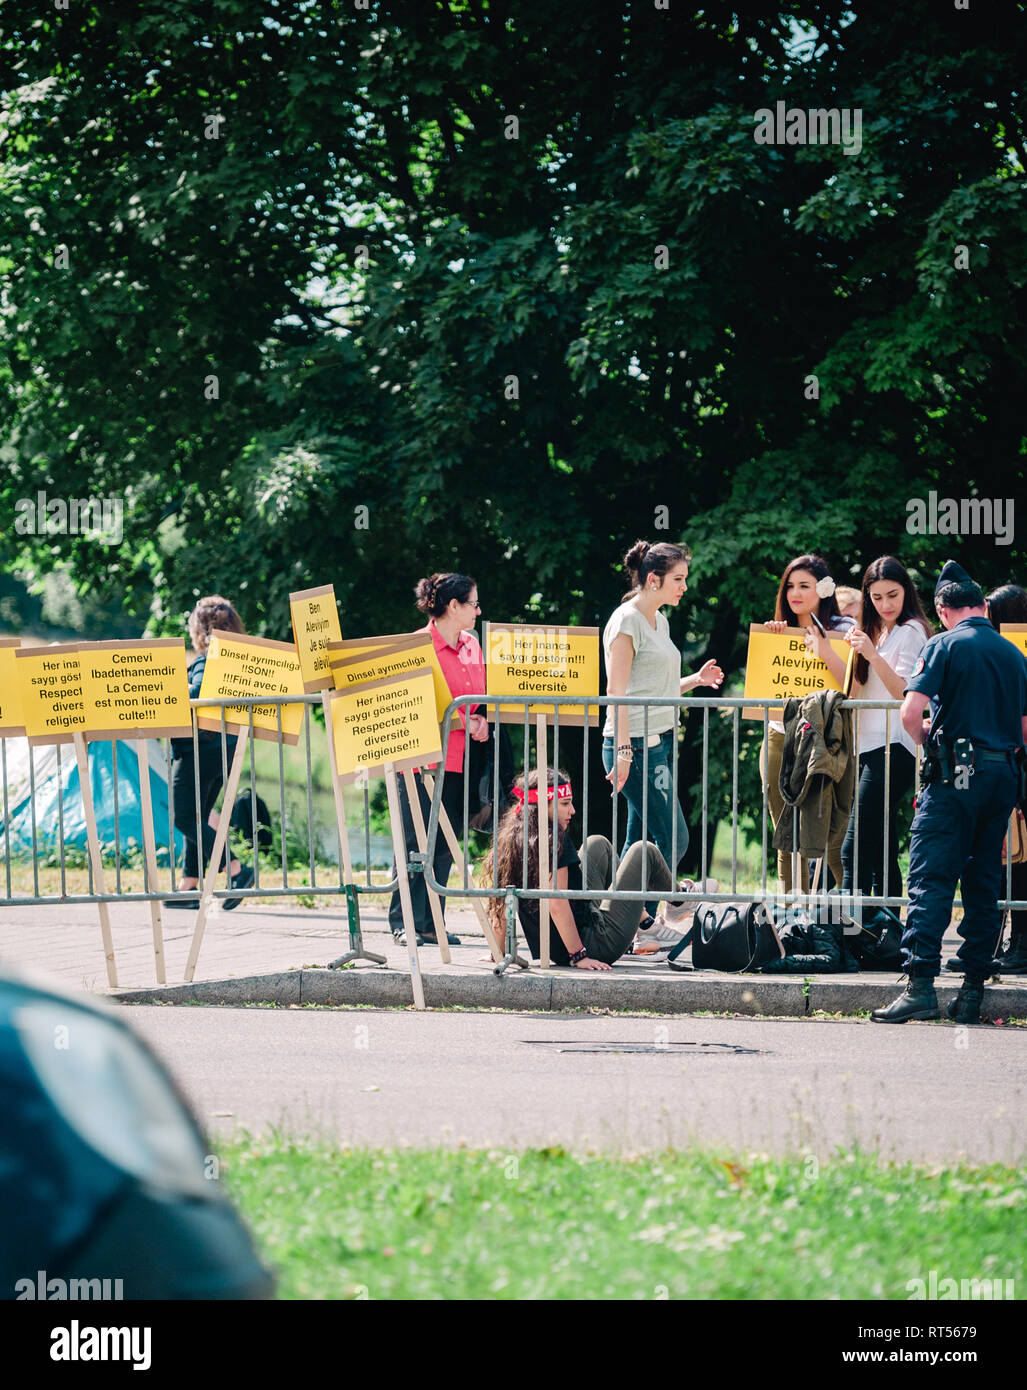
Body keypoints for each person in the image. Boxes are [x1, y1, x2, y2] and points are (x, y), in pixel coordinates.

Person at [872, 561, 1027, 1024]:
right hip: (1001, 778)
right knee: (983, 884)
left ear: (942, 610)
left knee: (932, 877)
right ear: (982, 606)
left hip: (954, 776)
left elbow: (910, 712)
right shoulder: (1014, 655)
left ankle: (921, 986)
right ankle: (972, 994)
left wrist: (928, 744)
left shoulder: (942, 645)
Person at [601, 540, 723, 945]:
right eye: (678, 579)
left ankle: (628, 925)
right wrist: (622, 753)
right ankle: (661, 911)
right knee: (675, 837)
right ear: (652, 580)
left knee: (638, 843)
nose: (684, 587)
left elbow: (656, 686)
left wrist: (695, 681)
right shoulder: (626, 621)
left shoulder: (660, 621)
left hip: (658, 741)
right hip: (632, 745)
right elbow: (617, 693)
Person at [485, 770, 690, 969]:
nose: (572, 810)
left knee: (597, 844)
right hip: (595, 945)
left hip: (565, 943)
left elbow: (501, 902)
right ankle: (680, 901)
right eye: (565, 804)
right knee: (644, 851)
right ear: (541, 806)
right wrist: (579, 955)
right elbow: (556, 903)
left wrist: (497, 952)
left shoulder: (512, 841)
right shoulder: (553, 841)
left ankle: (645, 923)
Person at [388, 572, 489, 947]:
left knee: (445, 842)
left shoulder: (472, 645)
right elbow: (410, 706)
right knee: (415, 840)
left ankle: (432, 921)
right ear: (453, 606)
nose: (478, 611)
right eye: (474, 604)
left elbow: (479, 697)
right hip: (419, 758)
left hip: (461, 757)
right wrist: (466, 719)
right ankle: (404, 922)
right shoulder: (417, 645)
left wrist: (482, 719)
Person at [839, 557, 932, 905]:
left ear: (906, 592)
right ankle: (886, 935)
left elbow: (907, 693)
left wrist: (872, 655)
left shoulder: (911, 631)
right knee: (878, 847)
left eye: (892, 595)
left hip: (894, 748)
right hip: (872, 747)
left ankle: (852, 933)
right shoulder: (882, 632)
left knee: (856, 847)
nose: (886, 605)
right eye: (877, 598)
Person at [761, 553, 855, 893]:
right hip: (779, 737)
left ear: (824, 589)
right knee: (786, 831)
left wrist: (825, 649)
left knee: (832, 830)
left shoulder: (845, 631)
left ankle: (844, 920)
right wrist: (773, 638)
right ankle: (791, 916)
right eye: (790, 586)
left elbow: (853, 685)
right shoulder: (778, 630)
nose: (795, 593)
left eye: (805, 586)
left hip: (826, 742)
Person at [169, 596, 254, 909]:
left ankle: (235, 868)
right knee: (199, 817)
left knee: (184, 818)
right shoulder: (233, 663)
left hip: (199, 751)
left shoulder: (206, 661)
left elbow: (200, 694)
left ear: (201, 630)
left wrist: (172, 689)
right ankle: (189, 886)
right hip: (224, 752)